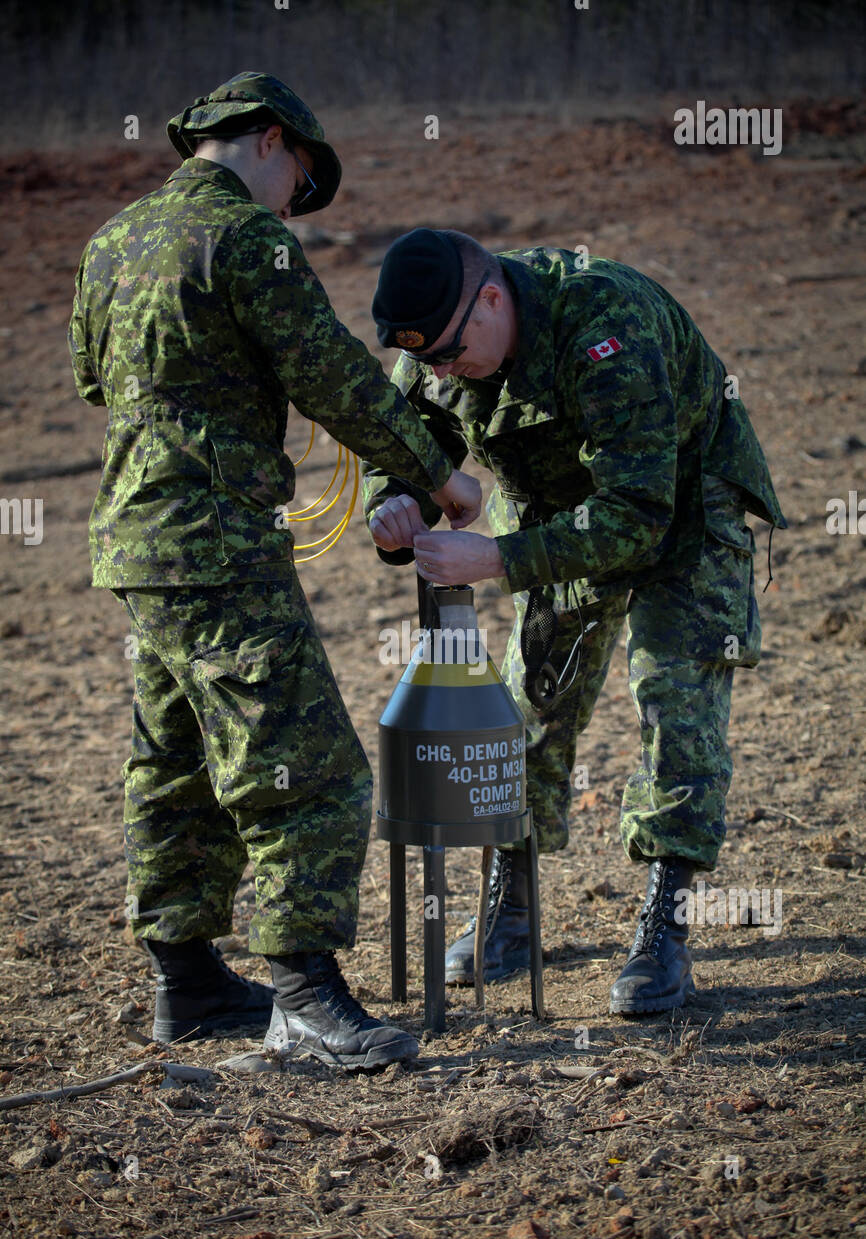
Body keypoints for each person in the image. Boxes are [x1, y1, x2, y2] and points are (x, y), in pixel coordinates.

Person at [68, 77, 481, 1066]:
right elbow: (331, 374)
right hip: (216, 548)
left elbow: (93, 378)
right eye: (297, 180)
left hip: (134, 542)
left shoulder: (109, 242)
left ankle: (189, 983)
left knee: (175, 765)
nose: (291, 204)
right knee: (315, 773)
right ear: (266, 139)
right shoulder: (243, 242)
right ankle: (301, 992)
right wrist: (438, 476)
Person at [364, 227, 787, 1014]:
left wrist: (495, 559)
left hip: (683, 513)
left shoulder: (604, 325)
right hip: (557, 515)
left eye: (451, 354)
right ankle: (511, 914)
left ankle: (666, 928)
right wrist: (398, 501)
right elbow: (410, 438)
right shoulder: (441, 339)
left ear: (492, 300)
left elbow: (636, 516)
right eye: (428, 361)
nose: (441, 370)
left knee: (678, 707)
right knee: (531, 710)